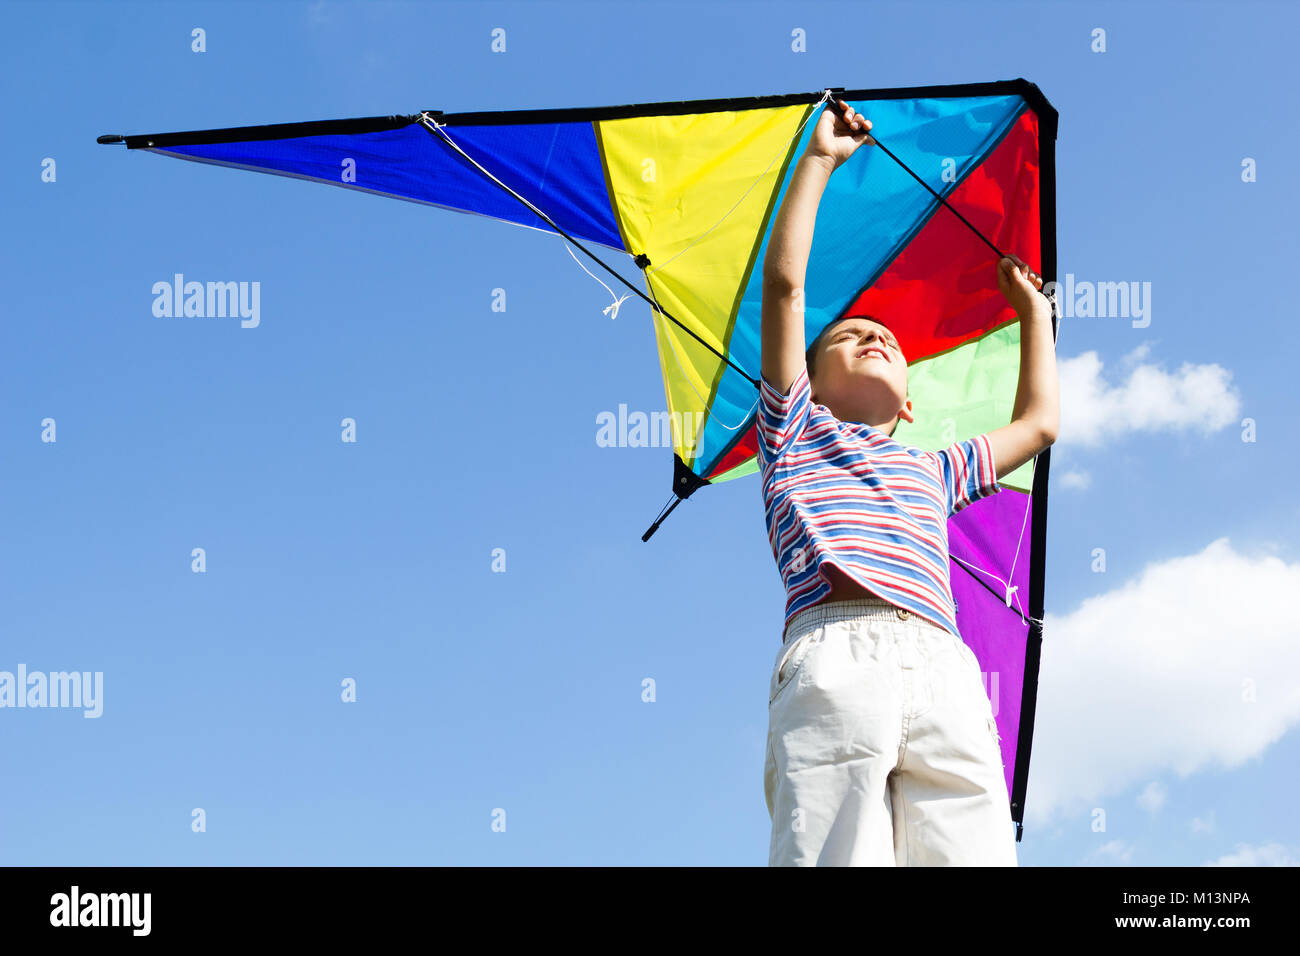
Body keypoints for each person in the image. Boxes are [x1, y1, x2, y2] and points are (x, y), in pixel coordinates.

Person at [759, 98, 1059, 866]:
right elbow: (786, 289)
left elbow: (1038, 426)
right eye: (852, 336)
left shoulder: (934, 467)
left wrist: (1035, 318)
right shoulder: (794, 430)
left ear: (911, 403)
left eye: (887, 341)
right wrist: (821, 161)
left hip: (943, 663)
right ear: (810, 382)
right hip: (836, 650)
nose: (874, 337)